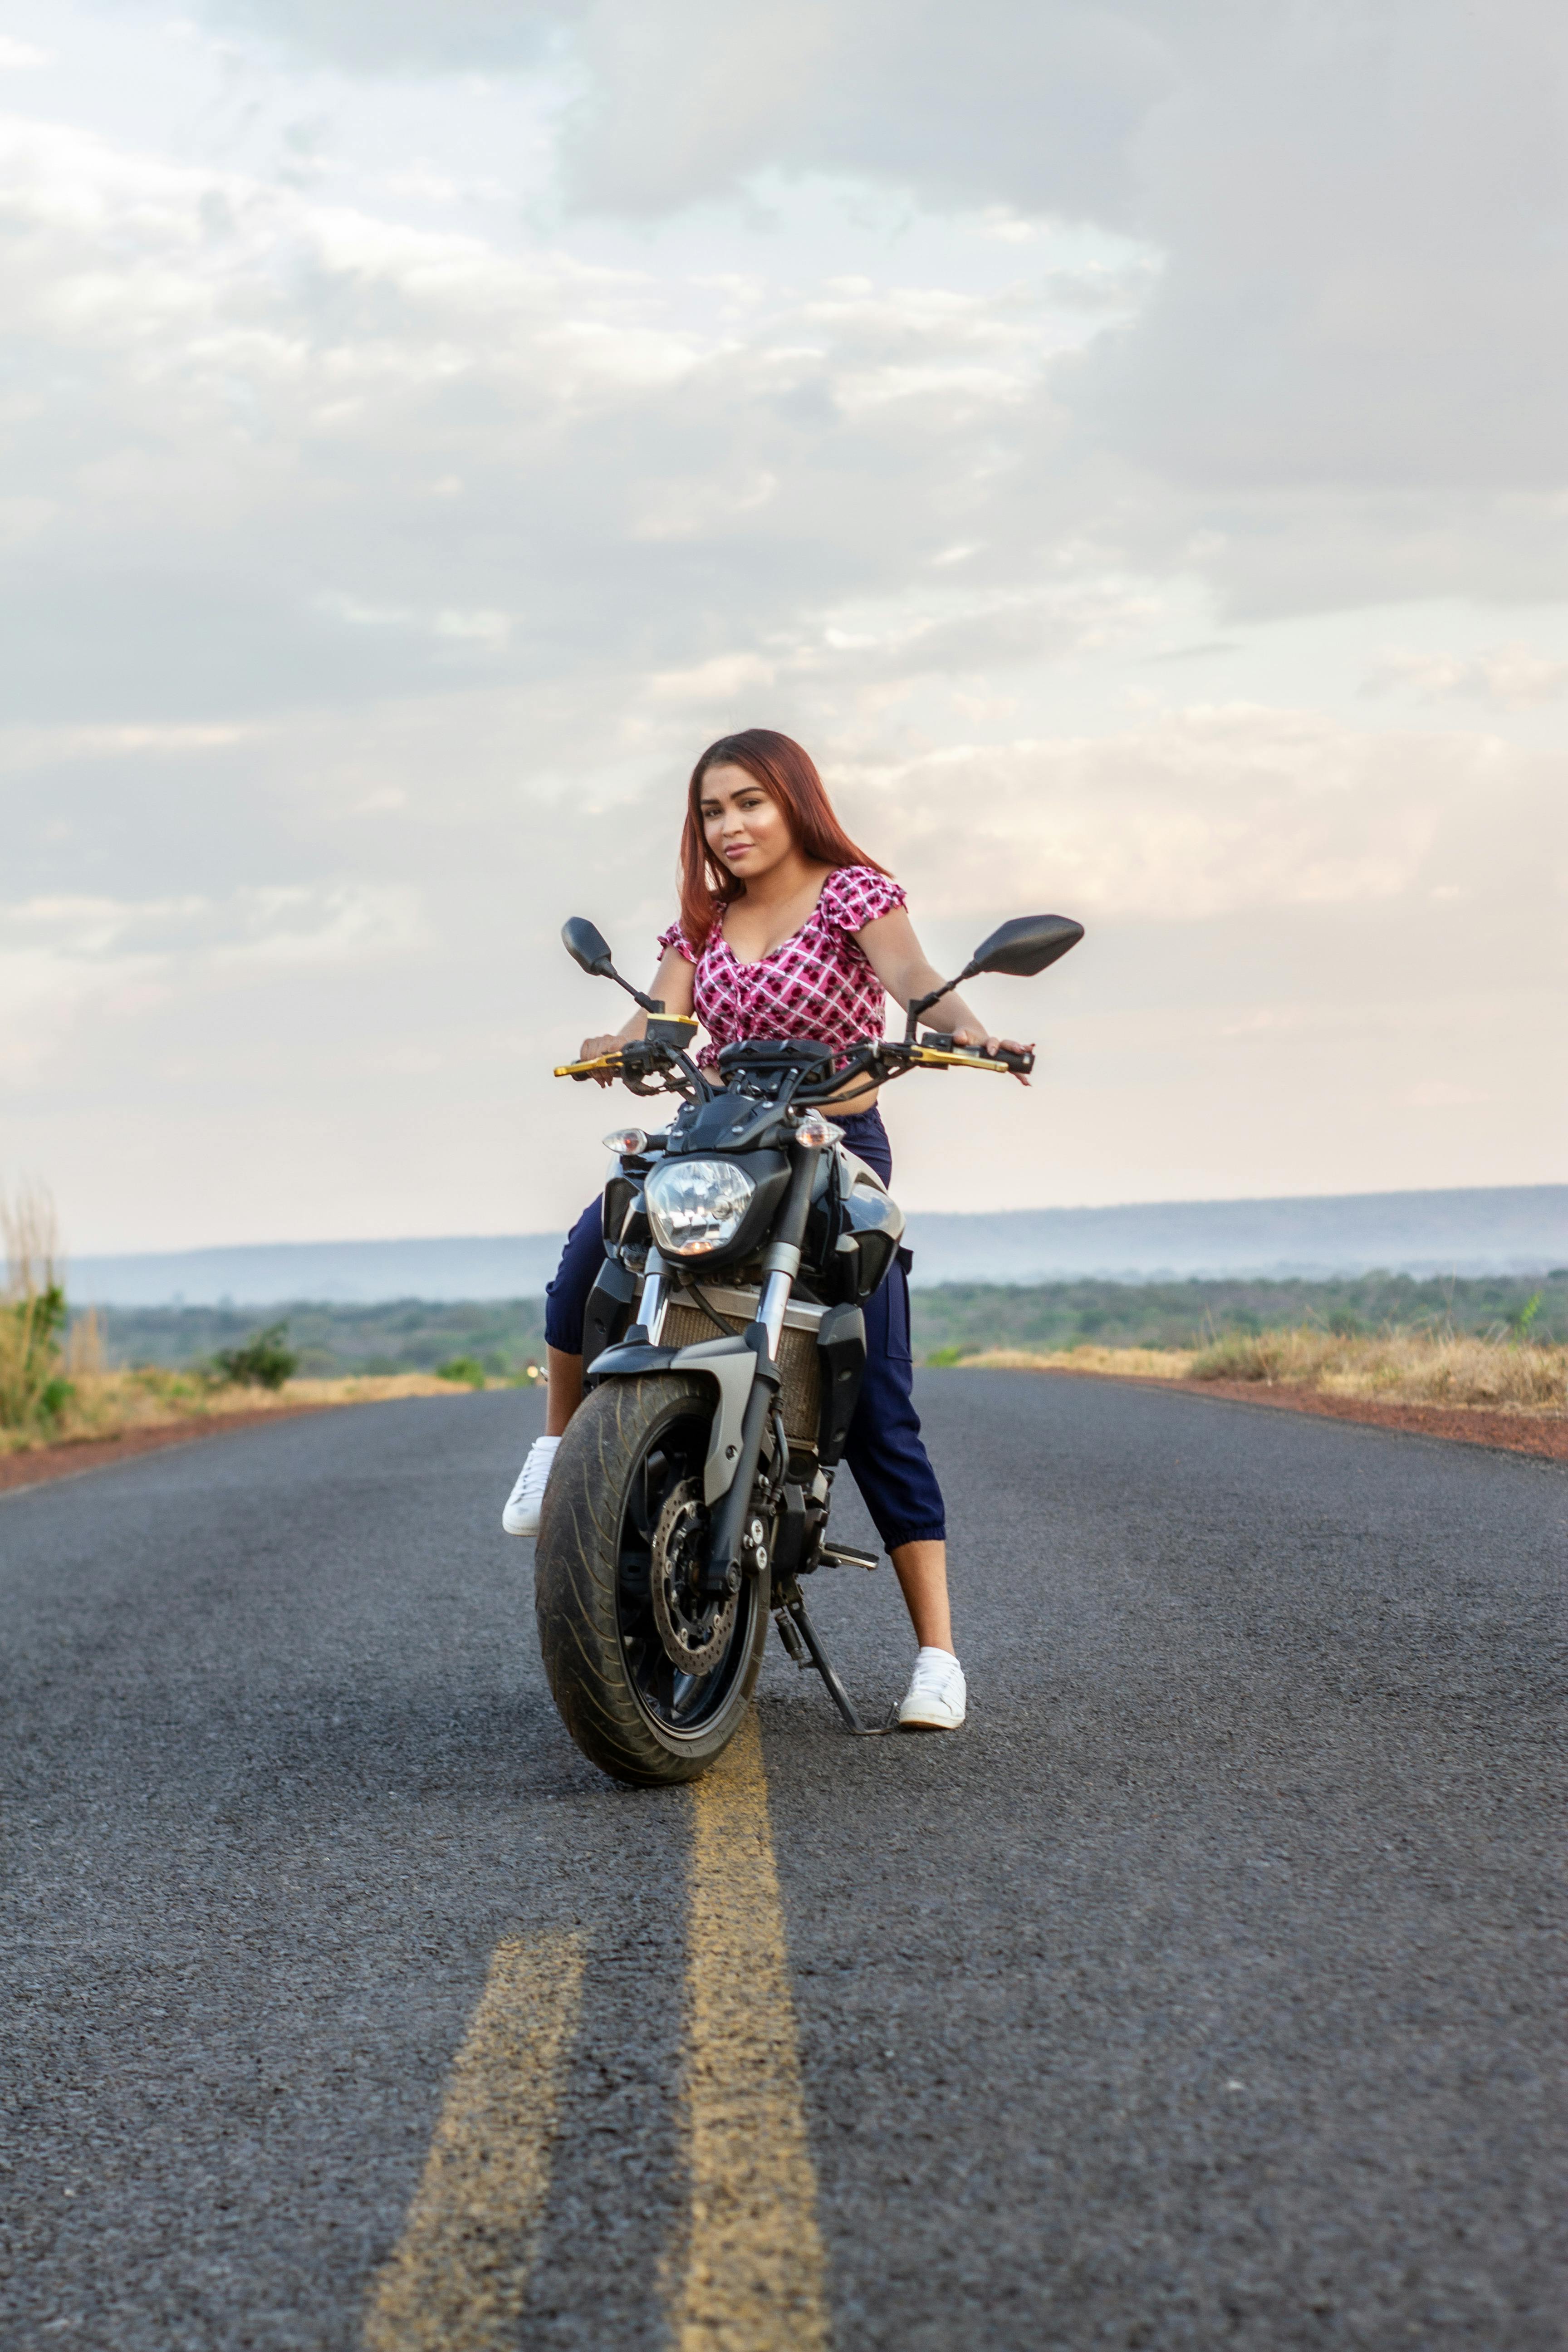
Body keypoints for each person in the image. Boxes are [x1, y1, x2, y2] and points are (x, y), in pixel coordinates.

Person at [503, 729, 1032, 1732]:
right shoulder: (700, 924)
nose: (731, 825)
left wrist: (970, 1034)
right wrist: (613, 1049)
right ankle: (558, 1448)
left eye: (749, 802)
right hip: (718, 1137)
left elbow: (916, 981)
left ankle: (937, 1655)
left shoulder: (852, 894)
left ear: (794, 801)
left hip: (834, 1139)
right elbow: (659, 1025)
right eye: (712, 810)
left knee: (877, 1388)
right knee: (589, 1255)